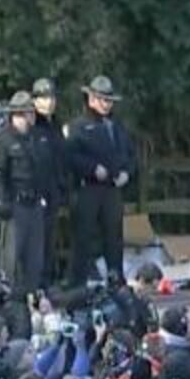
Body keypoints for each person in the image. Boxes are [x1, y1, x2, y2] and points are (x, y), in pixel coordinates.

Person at [65, 75, 136, 285]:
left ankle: (116, 280)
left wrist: (127, 172)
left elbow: (131, 154)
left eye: (110, 101)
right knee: (83, 237)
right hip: (89, 188)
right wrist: (92, 169)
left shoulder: (116, 126)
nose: (107, 105)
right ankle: (77, 282)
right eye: (103, 100)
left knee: (114, 237)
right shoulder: (78, 126)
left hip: (112, 189)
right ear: (91, 99)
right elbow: (71, 156)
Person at [0, 91, 57, 294]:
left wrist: (50, 196)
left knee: (35, 258)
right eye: (23, 114)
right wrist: (2, 201)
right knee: (13, 258)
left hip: (35, 204)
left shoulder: (38, 138)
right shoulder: (2, 139)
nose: (28, 117)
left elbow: (45, 171)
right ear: (14, 115)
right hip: (15, 205)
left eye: (30, 113)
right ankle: (13, 298)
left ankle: (33, 295)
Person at [30, 78, 68, 289]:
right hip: (35, 193)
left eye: (51, 97)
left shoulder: (56, 126)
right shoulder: (32, 126)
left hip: (53, 191)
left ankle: (47, 280)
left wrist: (61, 187)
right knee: (36, 241)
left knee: (49, 239)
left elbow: (60, 158)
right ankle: (36, 284)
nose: (49, 102)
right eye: (43, 97)